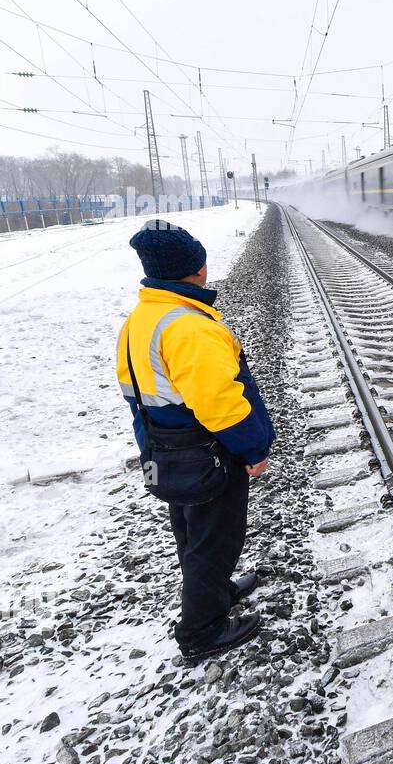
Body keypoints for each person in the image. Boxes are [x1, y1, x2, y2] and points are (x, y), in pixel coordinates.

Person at [115, 219, 276, 664]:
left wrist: (152, 449)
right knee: (216, 537)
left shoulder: (142, 318)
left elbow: (136, 394)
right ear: (198, 269)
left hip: (167, 448)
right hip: (206, 451)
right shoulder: (189, 326)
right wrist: (253, 448)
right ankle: (201, 630)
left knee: (189, 528)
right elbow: (220, 404)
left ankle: (215, 591)